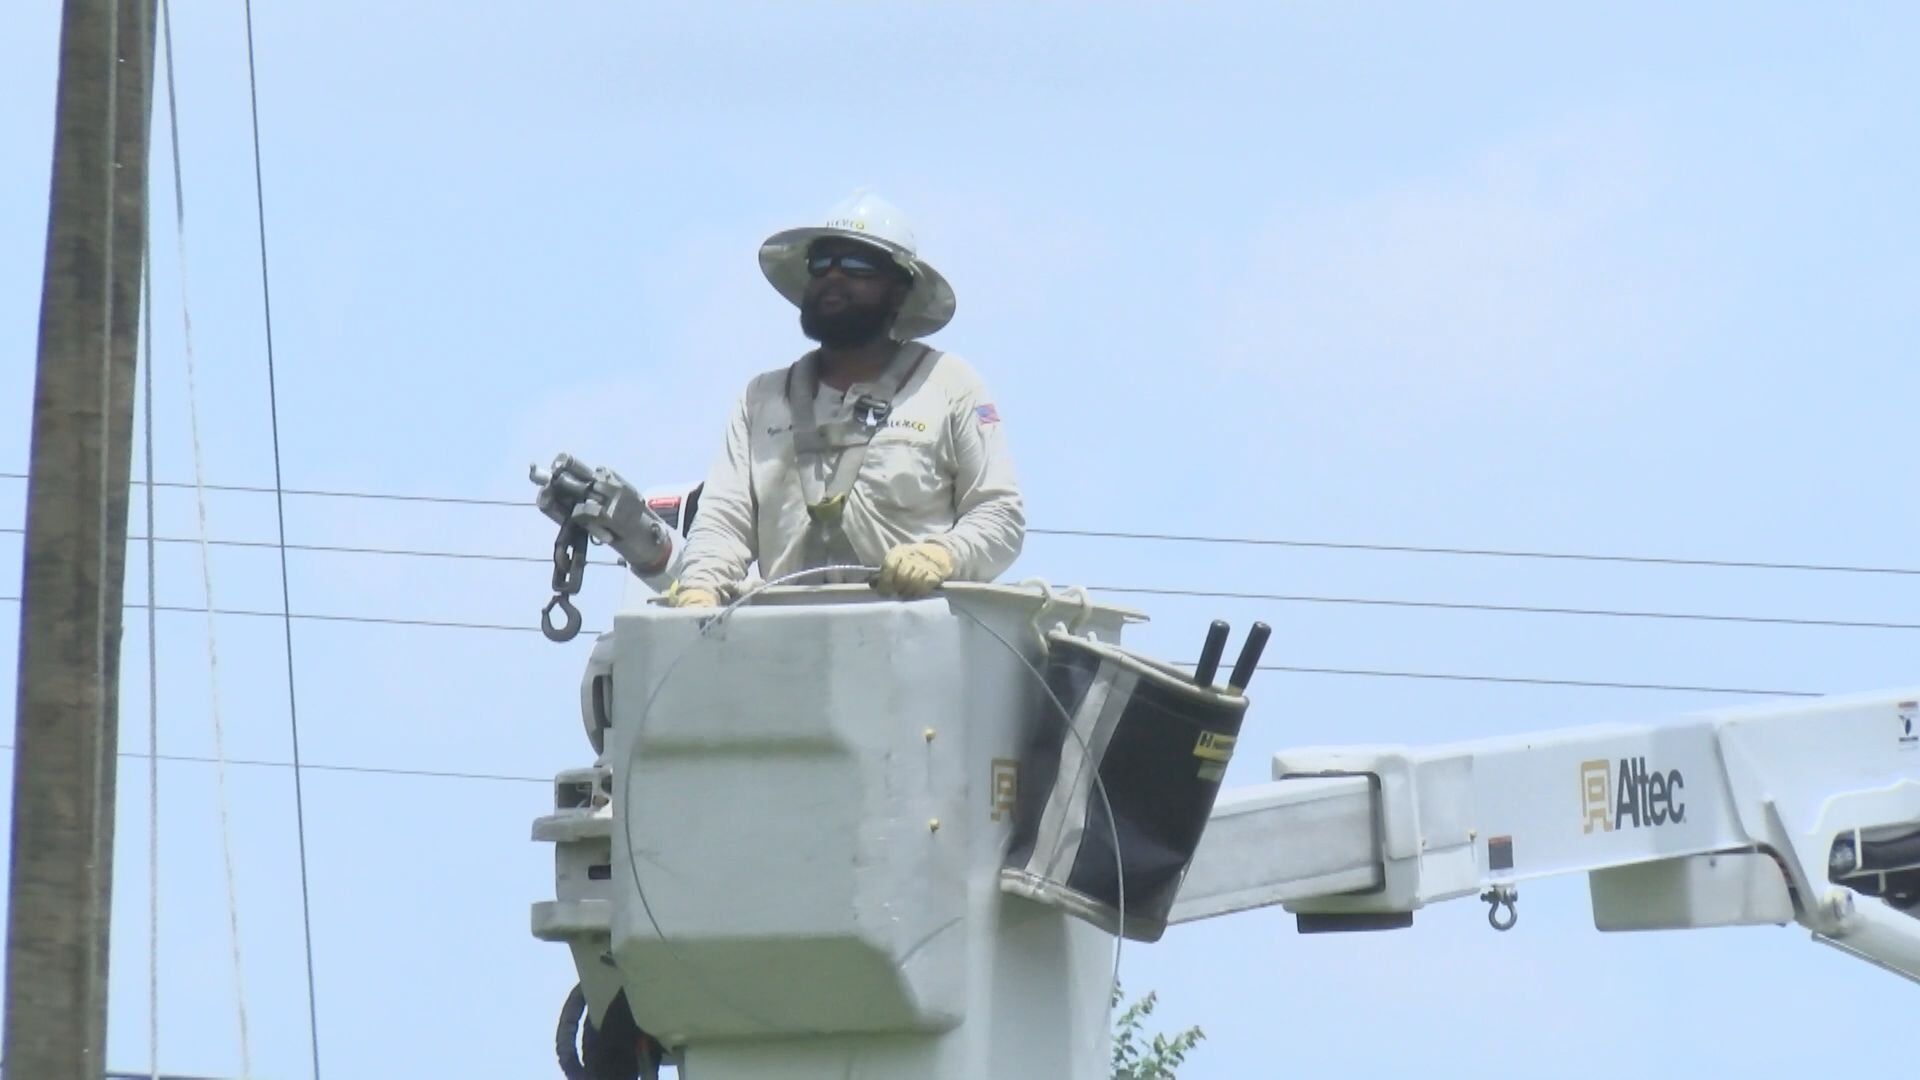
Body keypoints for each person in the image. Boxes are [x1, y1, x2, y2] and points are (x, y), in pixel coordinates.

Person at [666, 190, 1024, 607]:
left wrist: (942, 556)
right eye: (822, 263)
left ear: (898, 290)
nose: (834, 276)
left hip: (913, 638)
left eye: (857, 265)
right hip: (787, 644)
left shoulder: (948, 385)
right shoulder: (762, 399)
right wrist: (700, 589)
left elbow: (1000, 515)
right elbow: (724, 521)